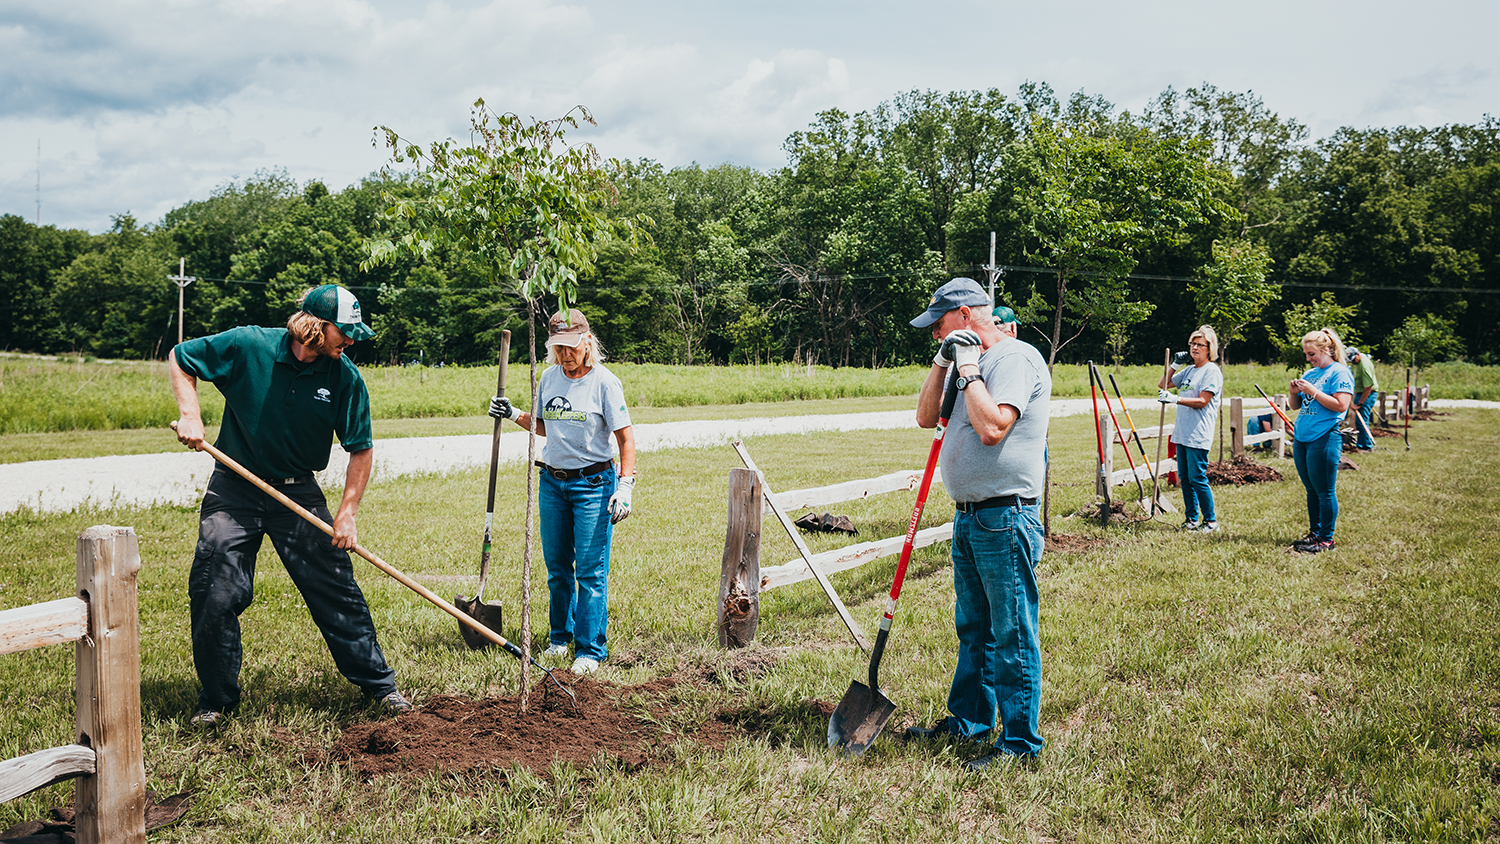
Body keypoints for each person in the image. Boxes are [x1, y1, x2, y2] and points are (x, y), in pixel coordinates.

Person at [170, 284, 411, 728]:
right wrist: (191, 414)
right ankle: (216, 701)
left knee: (335, 588)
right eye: (346, 332)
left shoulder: (344, 377)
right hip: (235, 488)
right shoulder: (248, 346)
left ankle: (380, 686)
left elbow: (361, 448)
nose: (352, 341)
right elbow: (182, 357)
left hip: (297, 491)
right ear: (316, 328)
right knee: (215, 590)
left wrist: (347, 513)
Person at [903, 278, 1051, 770]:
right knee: (974, 629)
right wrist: (945, 362)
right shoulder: (965, 359)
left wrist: (968, 370)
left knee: (1011, 632)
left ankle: (1020, 745)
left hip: (1005, 517)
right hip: (970, 518)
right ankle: (968, 724)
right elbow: (926, 418)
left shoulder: (1013, 359)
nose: (933, 333)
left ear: (965, 315)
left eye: (939, 325)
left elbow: (992, 428)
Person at [489, 309, 636, 675]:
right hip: (553, 483)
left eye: (572, 347)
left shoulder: (605, 382)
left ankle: (589, 650)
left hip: (594, 485)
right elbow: (544, 425)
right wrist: (513, 414)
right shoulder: (550, 378)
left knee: (589, 571)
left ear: (588, 342)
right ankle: (560, 638)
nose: (566, 355)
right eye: (559, 348)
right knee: (556, 568)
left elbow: (625, 438)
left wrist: (626, 485)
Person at [1289, 328, 1355, 553]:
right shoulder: (1309, 374)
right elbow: (1296, 406)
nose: (1308, 359)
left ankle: (1327, 539)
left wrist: (1314, 392)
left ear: (1327, 350)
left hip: (1324, 437)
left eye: (1311, 354)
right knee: (1311, 489)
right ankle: (1315, 534)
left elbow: (1341, 405)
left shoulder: (1340, 373)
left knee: (1325, 490)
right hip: (1302, 438)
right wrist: (1292, 392)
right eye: (1306, 355)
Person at [1157, 326, 1223, 532]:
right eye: (1192, 344)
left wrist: (1176, 399)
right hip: (1182, 432)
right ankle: (1191, 519)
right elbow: (1163, 385)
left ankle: (1211, 521)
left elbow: (1203, 401)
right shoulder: (1189, 370)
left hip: (1198, 433)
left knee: (1197, 478)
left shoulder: (1211, 371)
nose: (1194, 348)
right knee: (1184, 478)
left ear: (1209, 348)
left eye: (1199, 345)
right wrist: (1174, 365)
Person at [1347, 346, 1378, 451]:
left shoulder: (1364, 365)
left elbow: (1368, 387)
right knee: (1359, 421)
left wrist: (1359, 403)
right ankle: (1360, 445)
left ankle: (1367, 446)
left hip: (1368, 394)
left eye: (1353, 360)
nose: (1352, 362)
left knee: (1362, 420)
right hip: (1360, 392)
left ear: (1358, 354)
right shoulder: (1355, 362)